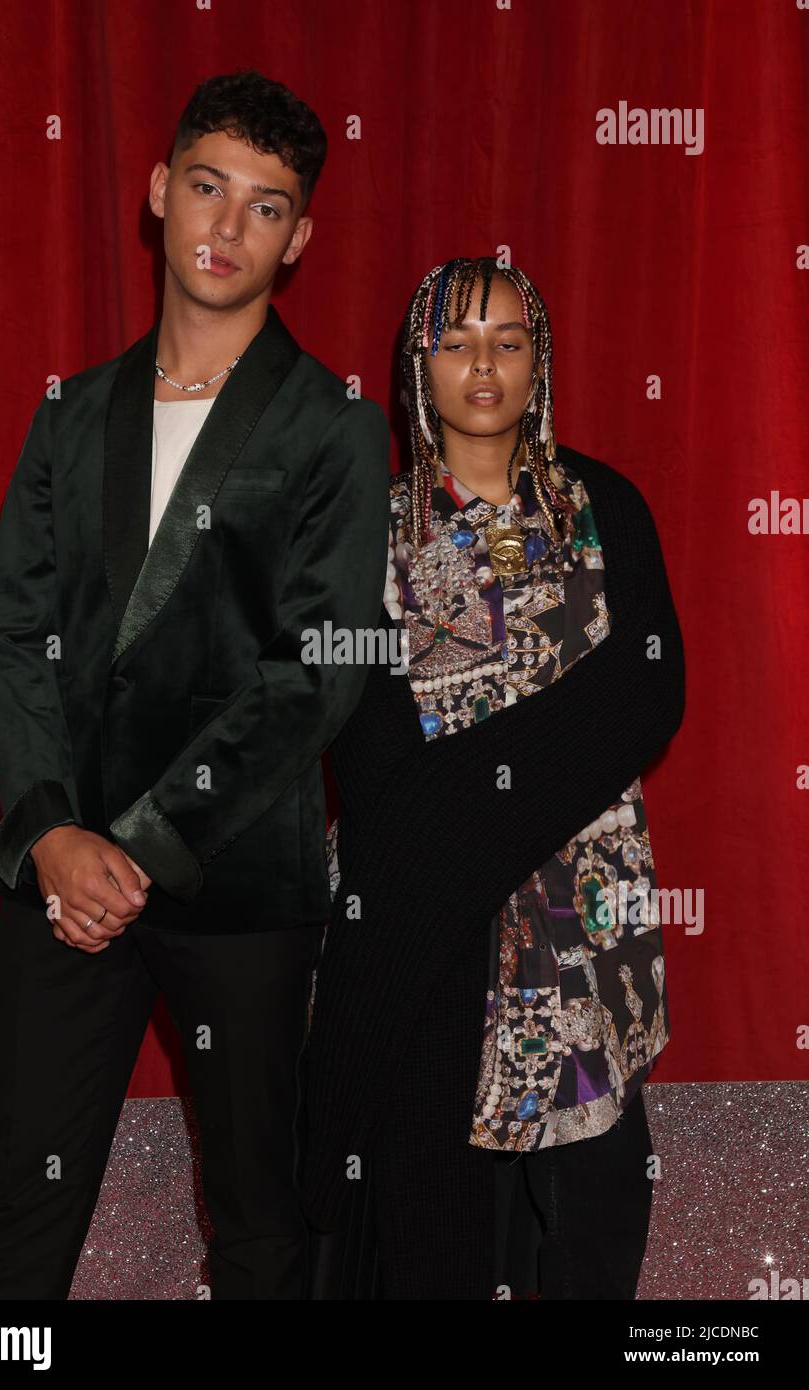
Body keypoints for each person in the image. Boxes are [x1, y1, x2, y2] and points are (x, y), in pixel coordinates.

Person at [0, 69, 390, 1301]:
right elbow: (10, 635)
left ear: (298, 237)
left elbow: (321, 670)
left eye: (265, 206)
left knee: (262, 1233)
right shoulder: (73, 414)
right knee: (16, 1238)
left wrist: (139, 845)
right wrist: (49, 833)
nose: (226, 225)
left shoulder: (334, 428)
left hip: (243, 885)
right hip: (61, 883)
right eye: (207, 186)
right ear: (159, 192)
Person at [300, 256, 686, 1299]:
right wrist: (499, 796)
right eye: (457, 342)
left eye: (509, 341)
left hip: (583, 924)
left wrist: (462, 797)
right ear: (418, 367)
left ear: (539, 363)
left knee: (597, 1211)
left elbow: (649, 695)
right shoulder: (364, 532)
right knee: (431, 1212)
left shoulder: (605, 505)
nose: (484, 364)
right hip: (424, 925)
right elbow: (366, 746)